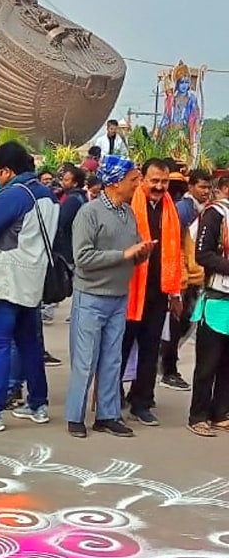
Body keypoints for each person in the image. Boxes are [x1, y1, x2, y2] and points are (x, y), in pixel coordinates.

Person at [0, 141, 59, 433]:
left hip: (2, 281)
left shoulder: (14, 194)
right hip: (30, 281)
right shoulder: (48, 195)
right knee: (30, 344)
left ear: (6, 171)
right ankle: (37, 404)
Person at [65, 156, 152, 439]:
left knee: (113, 359)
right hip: (91, 296)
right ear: (114, 182)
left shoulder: (128, 213)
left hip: (118, 296)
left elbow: (130, 253)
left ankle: (107, 415)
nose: (137, 185)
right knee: (85, 360)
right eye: (133, 180)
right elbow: (82, 258)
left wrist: (141, 254)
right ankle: (75, 416)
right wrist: (124, 254)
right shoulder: (89, 213)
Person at [120, 159, 182, 426]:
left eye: (164, 181)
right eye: (154, 180)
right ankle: (111, 397)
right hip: (129, 290)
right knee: (120, 347)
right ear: (142, 180)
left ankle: (141, 402)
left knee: (150, 348)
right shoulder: (127, 206)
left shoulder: (170, 209)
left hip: (158, 291)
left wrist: (176, 292)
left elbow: (176, 251)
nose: (159, 186)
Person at [159, 168, 213, 390]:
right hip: (181, 278)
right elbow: (176, 245)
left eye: (208, 187)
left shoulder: (204, 208)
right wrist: (180, 276)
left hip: (194, 277)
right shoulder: (183, 210)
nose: (206, 191)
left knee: (184, 325)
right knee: (175, 326)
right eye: (202, 186)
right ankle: (168, 369)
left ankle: (167, 365)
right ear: (191, 187)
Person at [187, 174, 229, 436]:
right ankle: (198, 416)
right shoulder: (215, 214)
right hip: (216, 298)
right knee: (208, 363)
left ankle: (220, 413)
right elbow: (202, 255)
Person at [54, 165, 88, 266]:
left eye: (66, 180)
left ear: (75, 183)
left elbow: (61, 222)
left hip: (68, 248)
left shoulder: (73, 200)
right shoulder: (80, 197)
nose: (62, 182)